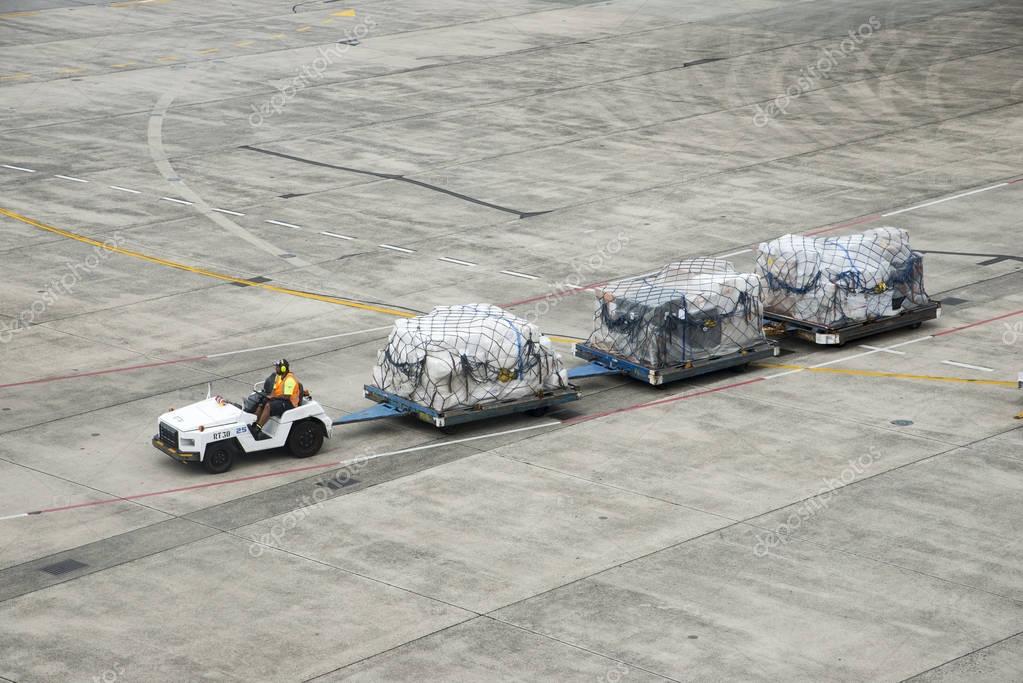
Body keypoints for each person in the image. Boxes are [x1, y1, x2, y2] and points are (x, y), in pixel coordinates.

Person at [251, 359, 302, 439]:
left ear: (283, 369)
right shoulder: (278, 377)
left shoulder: (290, 380)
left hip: (290, 403)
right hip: (280, 399)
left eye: (277, 367)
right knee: (262, 402)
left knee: (268, 406)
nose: (276, 368)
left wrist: (273, 397)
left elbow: (287, 396)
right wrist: (268, 397)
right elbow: (274, 392)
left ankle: (258, 428)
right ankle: (253, 424)